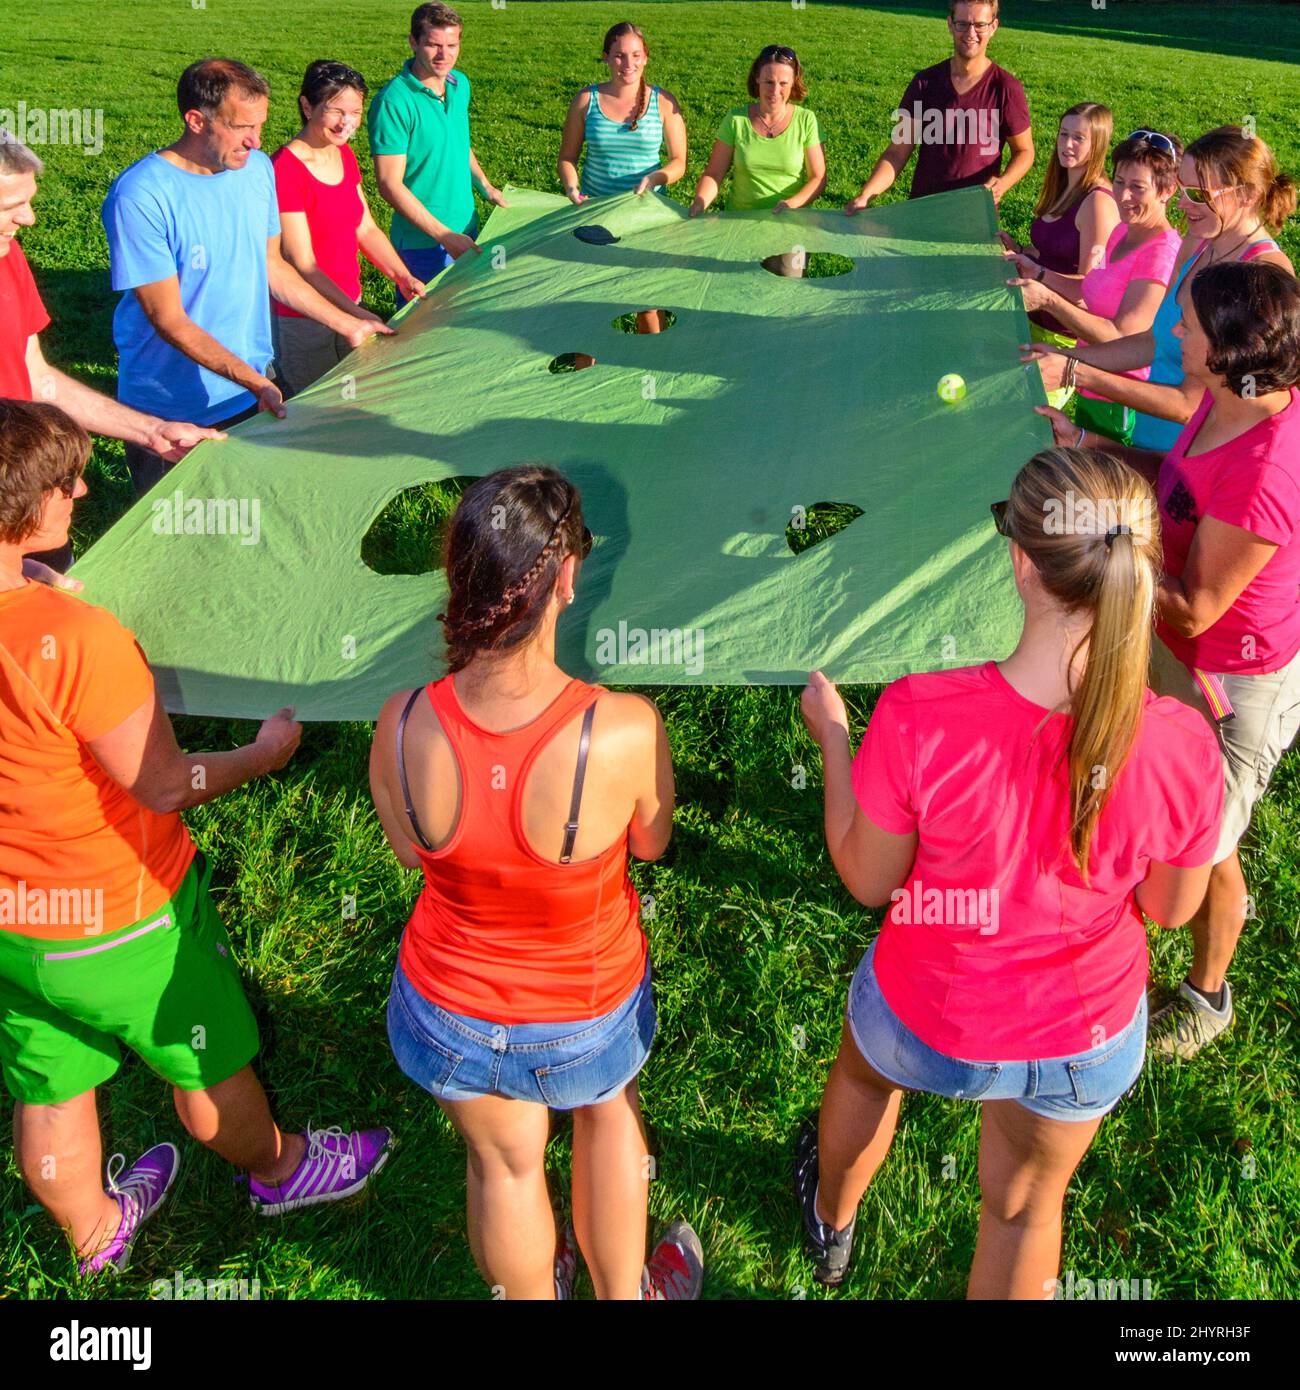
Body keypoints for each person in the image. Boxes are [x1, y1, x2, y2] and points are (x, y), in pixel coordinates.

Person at [795, 446, 1222, 1297]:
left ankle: (832, 1227)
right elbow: (1172, 909)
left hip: (929, 1008)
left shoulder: (920, 715)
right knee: (1023, 1213)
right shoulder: (1183, 744)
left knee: (860, 1075)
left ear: (1023, 564)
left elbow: (869, 879)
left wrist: (834, 740)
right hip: (1085, 1033)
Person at [0, 400, 393, 1275]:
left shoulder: (48, 619)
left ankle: (94, 1235)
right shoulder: (82, 642)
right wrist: (263, 753)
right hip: (120, 917)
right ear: (27, 513)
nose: (82, 489)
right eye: (66, 483)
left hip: (11, 928)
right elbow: (169, 783)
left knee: (51, 1084)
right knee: (205, 1062)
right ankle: (282, 1170)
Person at [369, 465, 702, 1300]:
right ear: (568, 580)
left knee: (505, 1167)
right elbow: (653, 842)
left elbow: (413, 855)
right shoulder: (623, 729)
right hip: (584, 1013)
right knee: (608, 1118)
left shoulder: (401, 721)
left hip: (446, 1010)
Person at [1037, 261, 1300, 1060]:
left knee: (1208, 847)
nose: (1173, 334)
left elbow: (1194, 603)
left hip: (1230, 682)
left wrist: (1098, 534)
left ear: (1226, 352)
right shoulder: (1225, 403)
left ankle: (1207, 994)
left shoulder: (1265, 468)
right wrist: (1089, 448)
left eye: (1186, 326)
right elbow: (1177, 490)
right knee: (1138, 790)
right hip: (1175, 652)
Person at [101, 58, 393, 499]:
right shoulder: (140, 195)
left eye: (260, 125)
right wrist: (253, 380)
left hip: (249, 391)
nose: (256, 141)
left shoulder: (255, 170)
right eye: (241, 127)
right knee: (176, 537)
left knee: (247, 521)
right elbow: (169, 319)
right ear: (196, 120)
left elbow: (273, 267)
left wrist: (347, 322)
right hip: (170, 407)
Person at [0, 135, 220, 571]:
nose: (29, 218)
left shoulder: (8, 257)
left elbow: (37, 376)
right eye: (10, 207)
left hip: (24, 497)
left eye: (28, 201)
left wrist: (152, 431)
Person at [1022, 126, 1295, 452]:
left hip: (1201, 457)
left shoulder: (1261, 274)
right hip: (1150, 434)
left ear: (1247, 195)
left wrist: (1075, 373)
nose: (1181, 204)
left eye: (1198, 194)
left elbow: (1189, 405)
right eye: (1182, 189)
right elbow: (1152, 341)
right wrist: (1066, 356)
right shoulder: (1198, 242)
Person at [1007, 131, 1182, 442]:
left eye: (1137, 188)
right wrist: (1039, 272)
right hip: (1091, 384)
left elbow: (1121, 338)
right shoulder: (1121, 233)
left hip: (1122, 400)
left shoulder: (1161, 254)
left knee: (1114, 487)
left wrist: (1049, 300)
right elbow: (1087, 290)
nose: (1124, 196)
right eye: (1119, 182)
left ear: (1167, 190)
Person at [273, 61, 429, 397]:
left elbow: (366, 228)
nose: (347, 123)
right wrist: (355, 314)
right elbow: (302, 261)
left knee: (357, 400)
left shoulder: (343, 154)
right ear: (306, 105)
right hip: (304, 320)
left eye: (355, 112)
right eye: (336, 111)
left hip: (350, 303)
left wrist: (403, 276)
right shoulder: (285, 168)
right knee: (314, 410)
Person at [368, 3, 507, 308]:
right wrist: (444, 235)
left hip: (467, 227)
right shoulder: (393, 102)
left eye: (452, 45)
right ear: (413, 42)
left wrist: (484, 185)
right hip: (423, 243)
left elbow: (459, 142)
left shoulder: (460, 84)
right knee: (423, 329)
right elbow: (389, 185)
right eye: (433, 44)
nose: (444, 55)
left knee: (466, 315)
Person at [845, 0, 1032, 213]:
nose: (971, 33)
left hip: (975, 215)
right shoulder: (925, 83)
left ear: (993, 27)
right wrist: (866, 194)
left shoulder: (1005, 87)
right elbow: (897, 152)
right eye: (962, 24)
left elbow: (1024, 151)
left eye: (980, 25)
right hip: (924, 211)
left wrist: (1003, 183)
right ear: (950, 24)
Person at [689, 45, 826, 278]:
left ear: (793, 83)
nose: (775, 90)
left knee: (784, 297)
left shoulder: (806, 120)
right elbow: (714, 174)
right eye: (768, 82)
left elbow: (818, 178)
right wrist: (699, 204)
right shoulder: (736, 119)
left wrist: (793, 203)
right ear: (757, 80)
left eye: (783, 83)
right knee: (735, 293)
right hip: (739, 223)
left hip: (788, 227)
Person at [998, 103, 1118, 337]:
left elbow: (1089, 290)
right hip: (1031, 320)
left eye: (1079, 138)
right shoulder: (1064, 185)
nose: (1067, 144)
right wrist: (1020, 250)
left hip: (1063, 337)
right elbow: (1055, 253)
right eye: (1063, 134)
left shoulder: (1098, 204)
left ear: (1098, 144)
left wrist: (1039, 274)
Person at [557, 22, 687, 204]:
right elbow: (567, 158)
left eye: (636, 55)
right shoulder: (586, 99)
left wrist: (655, 178)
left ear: (645, 58)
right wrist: (571, 187)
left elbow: (679, 161)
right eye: (619, 56)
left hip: (647, 207)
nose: (628, 64)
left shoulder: (664, 102)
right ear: (606, 57)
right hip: (595, 206)